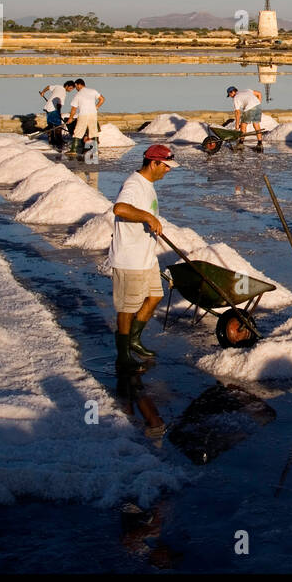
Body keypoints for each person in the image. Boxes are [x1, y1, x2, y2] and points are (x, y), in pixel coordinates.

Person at [109, 144, 178, 441]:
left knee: (156, 296)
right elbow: (120, 209)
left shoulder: (148, 184)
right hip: (129, 259)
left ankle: (134, 340)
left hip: (146, 257)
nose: (168, 172)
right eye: (165, 167)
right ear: (153, 163)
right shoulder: (133, 184)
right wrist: (148, 218)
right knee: (126, 307)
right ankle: (123, 355)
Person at [65, 78, 104, 156]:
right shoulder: (93, 91)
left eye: (76, 86)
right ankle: (95, 150)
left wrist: (70, 118)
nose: (76, 88)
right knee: (93, 131)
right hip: (93, 114)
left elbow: (73, 109)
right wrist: (96, 107)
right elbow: (102, 99)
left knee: (78, 131)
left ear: (78, 85)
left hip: (83, 114)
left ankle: (73, 150)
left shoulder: (78, 95)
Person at [39, 80, 72, 149]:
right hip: (54, 109)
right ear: (67, 86)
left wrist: (43, 92)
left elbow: (48, 87)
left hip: (48, 107)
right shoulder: (63, 92)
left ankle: (52, 141)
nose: (71, 90)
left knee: (51, 124)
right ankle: (59, 141)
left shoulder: (57, 86)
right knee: (58, 126)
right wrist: (59, 113)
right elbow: (59, 104)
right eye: (70, 88)